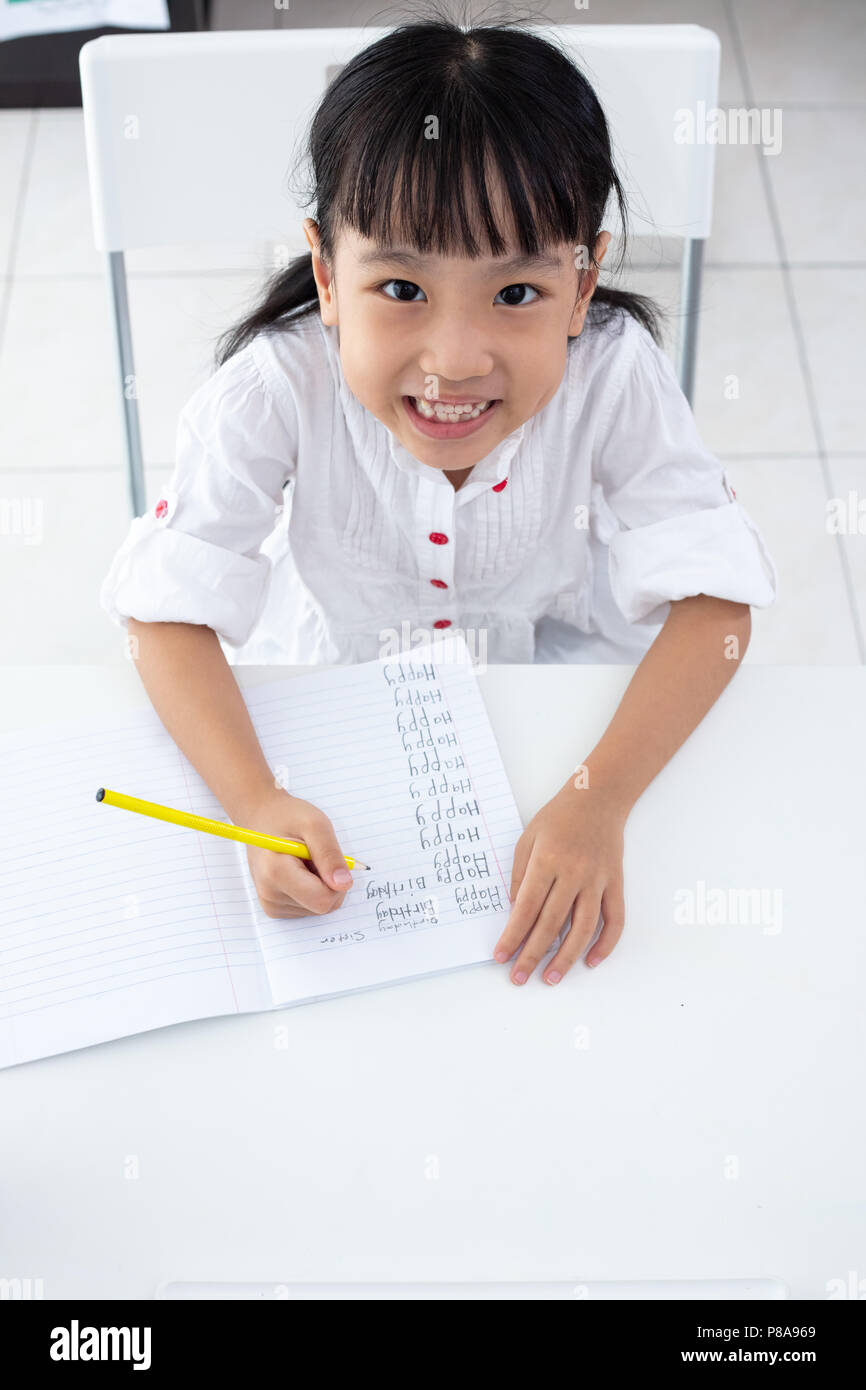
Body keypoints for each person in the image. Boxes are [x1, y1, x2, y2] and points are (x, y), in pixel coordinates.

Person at [99, 16, 777, 986]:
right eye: (402, 286)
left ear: (583, 282)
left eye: (516, 294)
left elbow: (715, 609)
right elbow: (159, 619)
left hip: (557, 707)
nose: (453, 360)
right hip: (325, 704)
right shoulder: (273, 386)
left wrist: (597, 799)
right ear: (328, 275)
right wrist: (251, 802)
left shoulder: (614, 373)